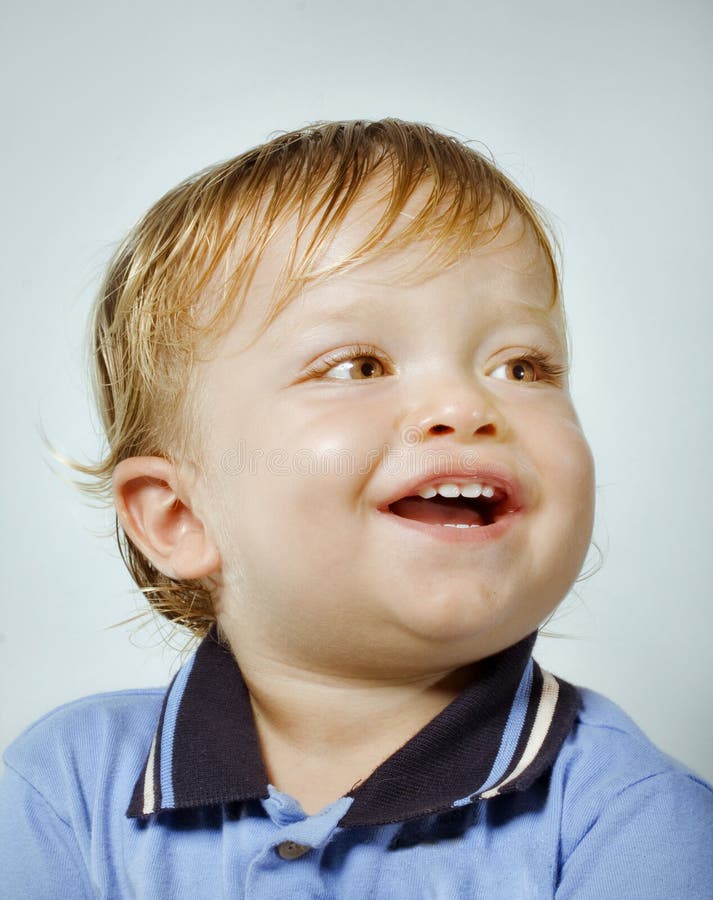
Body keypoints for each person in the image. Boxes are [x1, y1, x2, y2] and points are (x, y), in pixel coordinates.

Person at [1, 119, 711, 898]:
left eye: (521, 365)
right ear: (181, 518)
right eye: (358, 364)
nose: (464, 404)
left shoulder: (629, 821)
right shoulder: (63, 793)